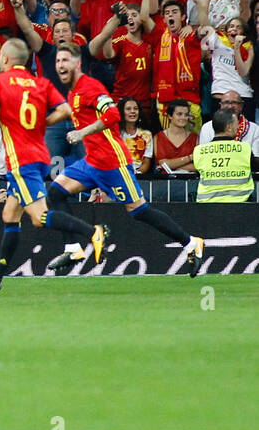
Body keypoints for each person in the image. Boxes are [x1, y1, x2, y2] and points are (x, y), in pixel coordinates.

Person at [45, 43, 203, 275]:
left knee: (139, 211)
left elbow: (113, 113)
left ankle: (191, 243)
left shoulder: (90, 87)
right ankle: (74, 248)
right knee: (56, 192)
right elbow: (70, 111)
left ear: (77, 64)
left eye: (65, 60)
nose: (60, 65)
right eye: (58, 61)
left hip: (112, 162)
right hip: (92, 162)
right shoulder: (73, 91)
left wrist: (82, 132)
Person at [0, 39, 106, 292]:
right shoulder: (40, 83)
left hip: (21, 162)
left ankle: (93, 233)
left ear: (6, 59)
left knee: (39, 217)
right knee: (10, 215)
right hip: (40, 156)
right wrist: (42, 123)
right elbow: (65, 109)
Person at [192, 109, 255, 224]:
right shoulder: (244, 148)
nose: (238, 127)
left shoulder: (199, 151)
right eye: (236, 123)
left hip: (206, 210)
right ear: (229, 127)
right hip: (241, 209)